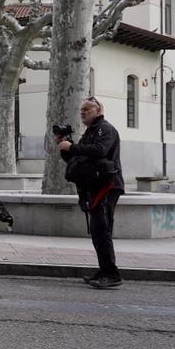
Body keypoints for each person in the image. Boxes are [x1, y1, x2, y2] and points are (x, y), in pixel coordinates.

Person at [59, 96, 125, 290]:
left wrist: (73, 147)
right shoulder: (91, 131)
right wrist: (65, 147)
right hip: (95, 186)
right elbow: (78, 157)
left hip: (107, 186)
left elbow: (99, 150)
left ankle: (111, 274)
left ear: (99, 111)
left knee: (102, 230)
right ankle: (104, 270)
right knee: (98, 231)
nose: (82, 113)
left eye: (87, 110)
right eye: (81, 110)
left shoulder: (106, 129)